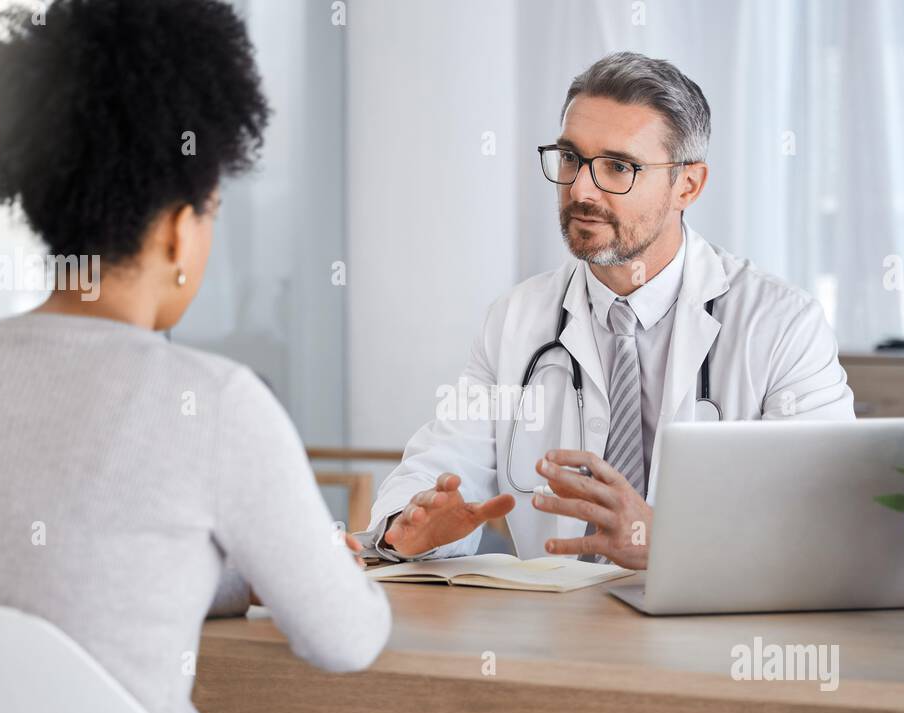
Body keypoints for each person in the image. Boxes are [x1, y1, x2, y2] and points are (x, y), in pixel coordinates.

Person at [0, 0, 390, 713]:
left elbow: (87, 559)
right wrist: (329, 566)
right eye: (212, 215)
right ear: (176, 230)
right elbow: (346, 639)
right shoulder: (213, 400)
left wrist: (247, 575)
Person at [365, 51, 854, 571]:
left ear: (687, 185)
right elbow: (439, 470)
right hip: (562, 637)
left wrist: (666, 543)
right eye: (571, 158)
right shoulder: (515, 321)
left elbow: (829, 525)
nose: (579, 189)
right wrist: (409, 530)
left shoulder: (782, 326)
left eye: (618, 166)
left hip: (717, 639)